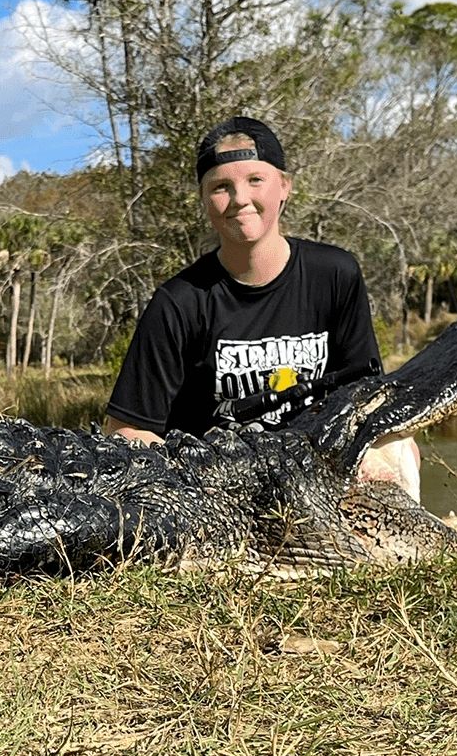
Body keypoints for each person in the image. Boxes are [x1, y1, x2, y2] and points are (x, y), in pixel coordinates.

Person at [104, 115, 421, 499]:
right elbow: (124, 430)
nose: (240, 199)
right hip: (220, 488)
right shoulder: (178, 301)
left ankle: (399, 557)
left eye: (255, 180)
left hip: (320, 468)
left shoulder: (336, 274)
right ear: (204, 200)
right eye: (221, 187)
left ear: (284, 187)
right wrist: (180, 472)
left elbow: (364, 396)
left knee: (399, 447)